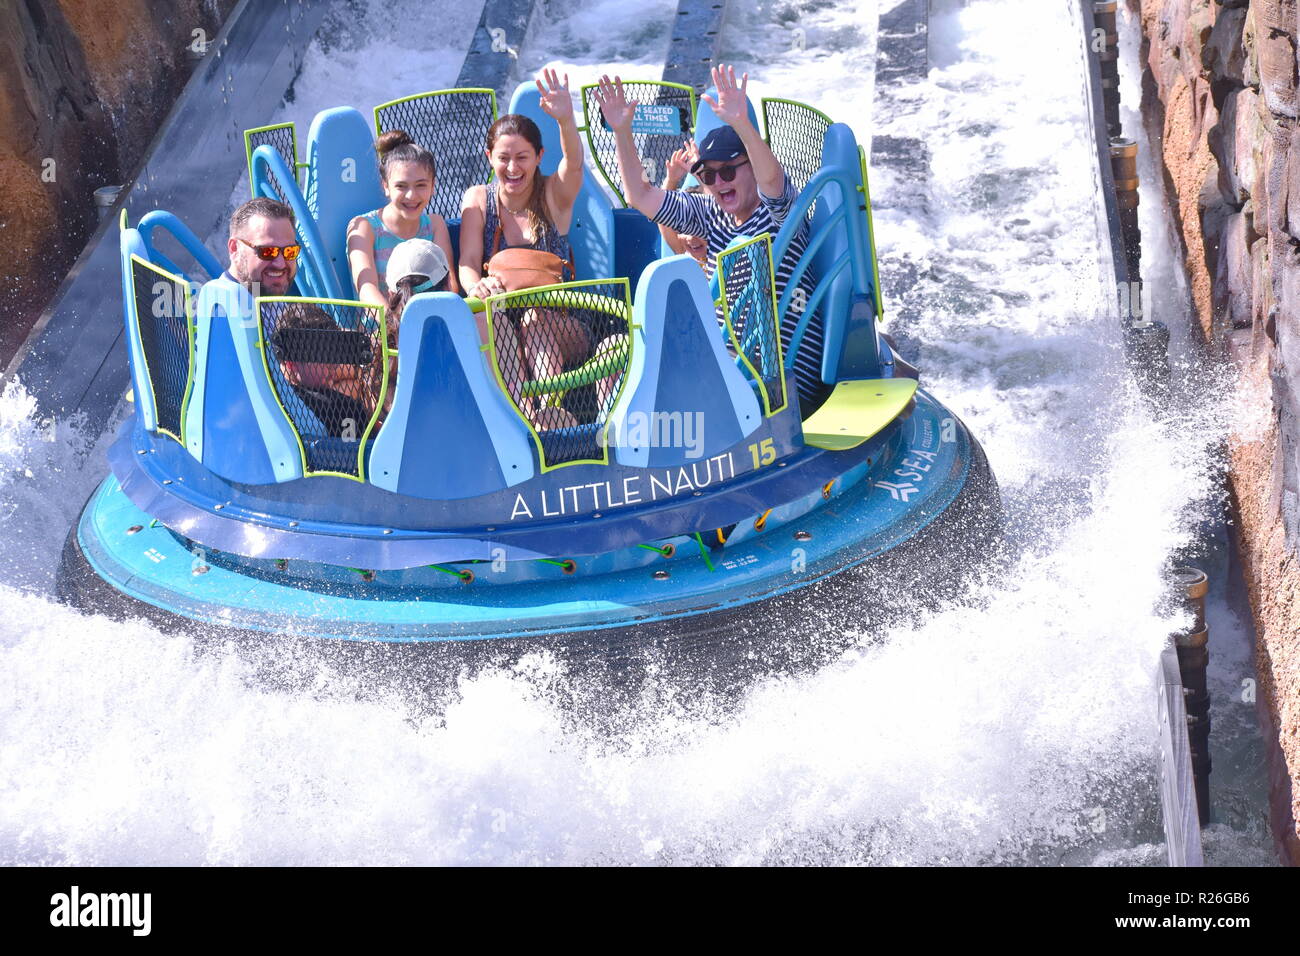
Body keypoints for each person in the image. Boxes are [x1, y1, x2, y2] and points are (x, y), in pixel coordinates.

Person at [593, 65, 827, 412]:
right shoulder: (709, 212)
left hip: (779, 378)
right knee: (614, 352)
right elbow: (641, 196)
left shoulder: (778, 213)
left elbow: (773, 181)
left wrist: (741, 123)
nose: (719, 182)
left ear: (750, 167)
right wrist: (622, 131)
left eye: (729, 170)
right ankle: (610, 444)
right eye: (708, 175)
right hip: (724, 364)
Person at [458, 69, 593, 429]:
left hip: (561, 321)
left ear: (538, 156)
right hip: (502, 317)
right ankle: (522, 414)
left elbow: (575, 164)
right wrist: (476, 286)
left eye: (522, 157)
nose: (512, 167)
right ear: (489, 157)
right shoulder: (477, 199)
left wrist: (566, 119)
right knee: (485, 321)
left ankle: (549, 405)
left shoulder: (553, 195)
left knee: (534, 321)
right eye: (503, 158)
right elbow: (468, 261)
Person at [347, 130, 459, 306]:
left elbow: (449, 282)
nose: (411, 196)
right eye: (401, 186)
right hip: (381, 328)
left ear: (433, 186)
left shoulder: (435, 224)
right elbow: (366, 288)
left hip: (431, 318)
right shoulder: (364, 227)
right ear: (386, 186)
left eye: (421, 185)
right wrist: (396, 324)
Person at [270, 302, 372, 440]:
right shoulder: (344, 409)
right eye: (324, 357)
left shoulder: (268, 396)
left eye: (336, 355)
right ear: (290, 363)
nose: (334, 365)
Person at [225, 196, 300, 296]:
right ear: (235, 249)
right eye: (267, 251)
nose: (280, 264)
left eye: (290, 251)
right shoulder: (225, 306)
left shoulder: (257, 294)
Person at [657, 143, 710, 271]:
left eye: (697, 227)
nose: (692, 238)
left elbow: (714, 202)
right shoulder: (681, 250)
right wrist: (671, 180)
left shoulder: (719, 242)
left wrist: (699, 173)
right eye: (684, 230)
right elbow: (662, 214)